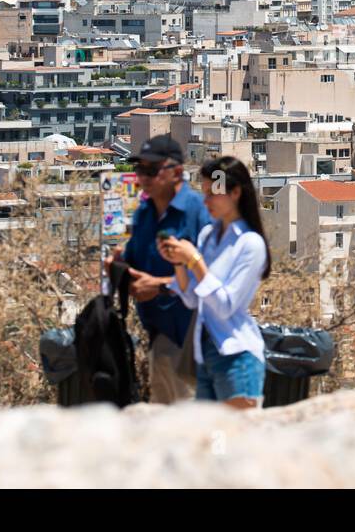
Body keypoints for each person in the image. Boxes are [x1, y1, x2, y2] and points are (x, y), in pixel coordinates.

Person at [158, 156, 270, 408]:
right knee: (212, 441)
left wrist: (195, 261)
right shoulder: (209, 235)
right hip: (206, 353)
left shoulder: (250, 244)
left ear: (236, 192)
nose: (205, 200)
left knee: (238, 439)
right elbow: (191, 299)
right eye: (204, 192)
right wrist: (178, 262)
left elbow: (225, 305)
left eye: (213, 193)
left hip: (237, 355)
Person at [110, 135, 213, 404]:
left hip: (193, 342)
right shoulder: (144, 212)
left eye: (151, 170)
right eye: (140, 169)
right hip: (159, 338)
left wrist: (158, 286)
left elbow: (213, 278)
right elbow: (136, 259)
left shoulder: (199, 213)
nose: (143, 177)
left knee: (191, 429)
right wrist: (118, 267)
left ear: (177, 172)